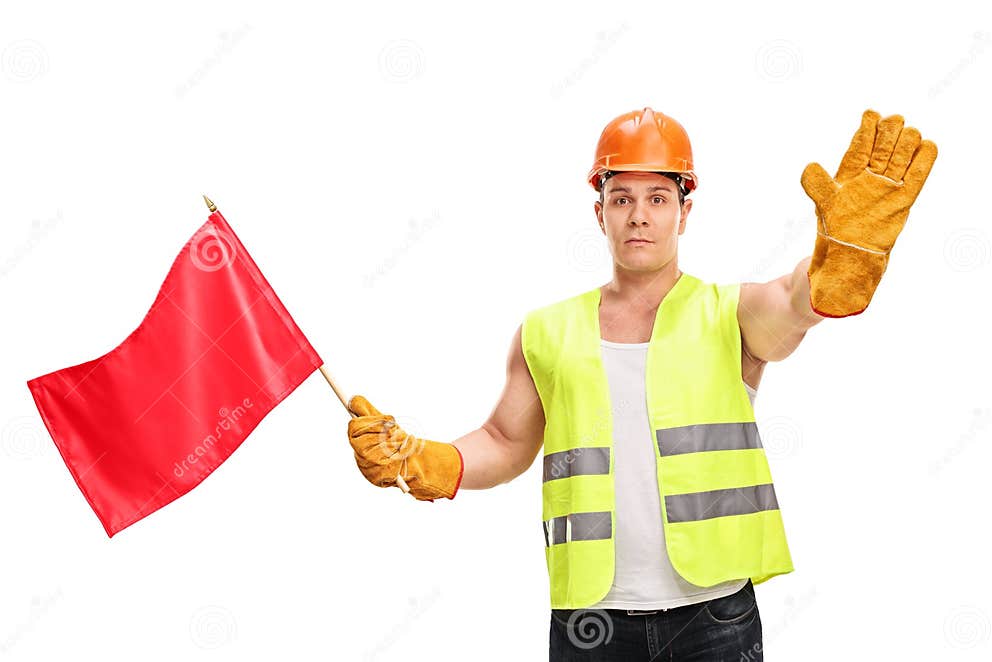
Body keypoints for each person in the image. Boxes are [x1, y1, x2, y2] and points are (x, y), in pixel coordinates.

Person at [346, 107, 937, 661]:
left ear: (684, 212)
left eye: (658, 198)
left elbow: (793, 302)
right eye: (621, 198)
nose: (639, 215)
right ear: (599, 212)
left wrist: (838, 263)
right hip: (590, 619)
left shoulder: (730, 313)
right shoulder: (545, 331)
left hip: (714, 615)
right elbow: (504, 440)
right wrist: (428, 460)